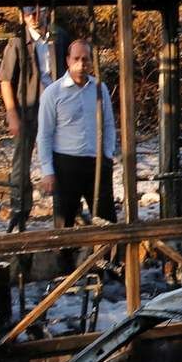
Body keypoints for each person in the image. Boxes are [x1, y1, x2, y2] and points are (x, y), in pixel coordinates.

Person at [0, 4, 68, 232]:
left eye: (38, 12)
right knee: (21, 164)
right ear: (22, 16)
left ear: (47, 12)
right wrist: (12, 114)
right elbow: (6, 79)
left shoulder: (59, 37)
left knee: (63, 159)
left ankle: (64, 214)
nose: (34, 18)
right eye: (29, 14)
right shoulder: (18, 41)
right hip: (28, 109)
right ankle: (20, 214)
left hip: (56, 109)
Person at [37, 39, 118, 228]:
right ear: (68, 60)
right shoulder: (53, 93)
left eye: (86, 59)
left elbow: (108, 125)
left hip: (96, 163)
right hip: (66, 164)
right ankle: (64, 257)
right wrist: (48, 171)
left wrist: (107, 154)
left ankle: (107, 257)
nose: (81, 64)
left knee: (106, 220)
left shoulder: (100, 89)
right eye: (76, 59)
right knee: (64, 223)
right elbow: (44, 134)